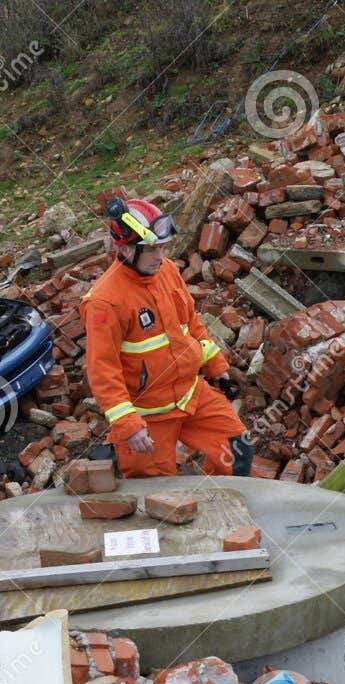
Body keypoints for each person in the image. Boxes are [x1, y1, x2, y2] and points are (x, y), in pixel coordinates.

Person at [79, 196, 250, 477]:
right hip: (148, 413)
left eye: (162, 248)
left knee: (237, 449)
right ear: (126, 248)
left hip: (190, 395)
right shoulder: (104, 302)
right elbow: (102, 370)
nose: (161, 257)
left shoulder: (166, 270)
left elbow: (191, 324)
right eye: (152, 249)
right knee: (152, 492)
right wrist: (127, 423)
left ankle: (223, 513)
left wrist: (216, 366)